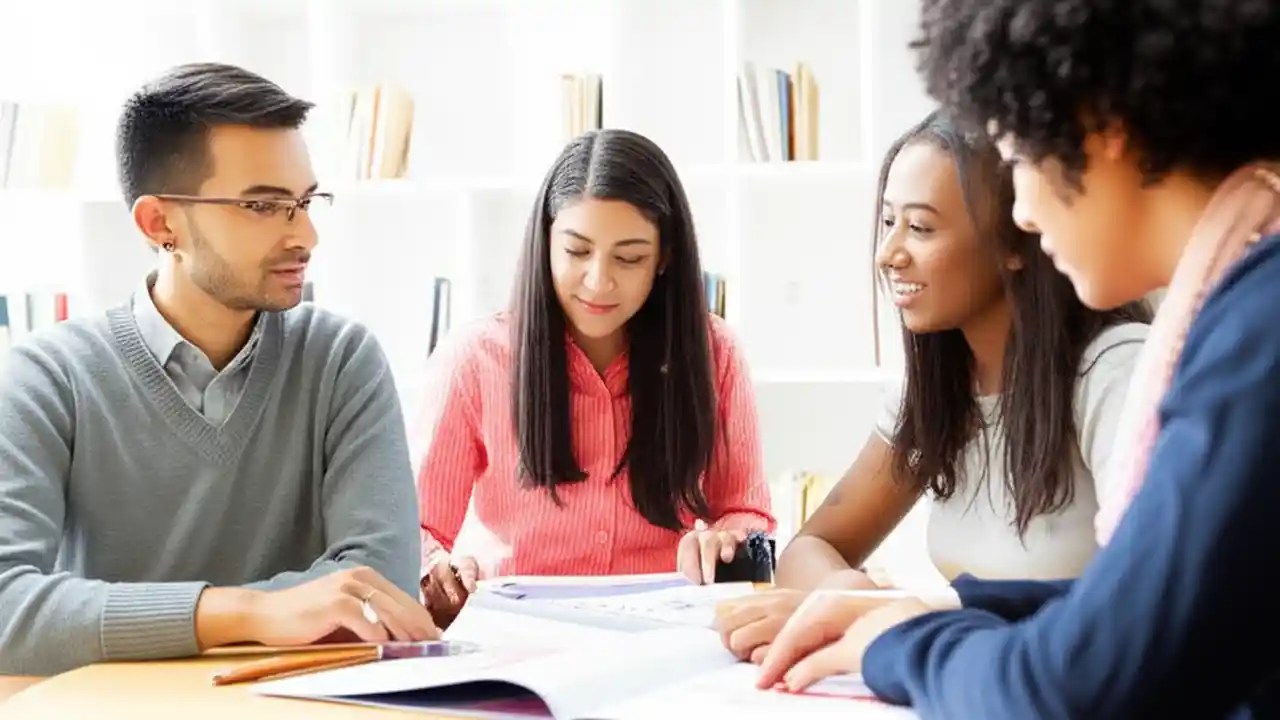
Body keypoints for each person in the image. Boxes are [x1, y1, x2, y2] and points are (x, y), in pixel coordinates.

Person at [755, 1, 1280, 716]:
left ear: (1098, 130)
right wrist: (942, 607)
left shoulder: (1255, 333)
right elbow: (1150, 612)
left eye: (1019, 154)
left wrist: (901, 642)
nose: (1025, 213)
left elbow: (1084, 683)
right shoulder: (1250, 305)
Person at [0, 63, 437, 676]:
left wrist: (133, 619)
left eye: (306, 202)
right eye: (263, 204)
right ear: (160, 224)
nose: (305, 234)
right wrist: (247, 612)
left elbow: (383, 583)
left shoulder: (341, 360)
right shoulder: (49, 378)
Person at [718, 110, 1150, 664]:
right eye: (887, 222)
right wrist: (854, 599)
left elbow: (1143, 604)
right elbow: (812, 548)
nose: (888, 254)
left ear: (1018, 238)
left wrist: (907, 615)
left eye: (920, 228)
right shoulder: (934, 391)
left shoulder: (1114, 372)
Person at [414, 128, 775, 624]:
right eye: (577, 251)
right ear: (544, 243)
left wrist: (728, 541)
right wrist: (439, 569)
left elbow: (747, 513)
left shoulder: (715, 354)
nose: (599, 281)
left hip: (662, 633)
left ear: (665, 258)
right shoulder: (476, 359)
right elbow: (416, 528)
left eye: (629, 258)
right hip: (515, 634)